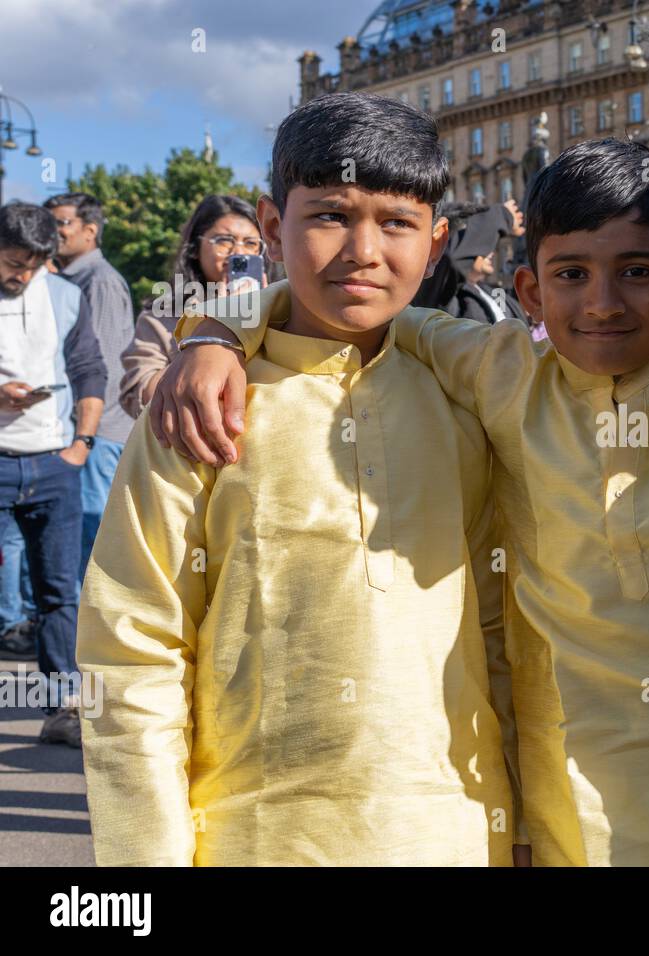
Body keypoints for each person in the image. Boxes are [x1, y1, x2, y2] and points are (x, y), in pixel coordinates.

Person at [154, 134, 649, 866]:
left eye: (638, 273)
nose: (604, 302)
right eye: (571, 275)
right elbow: (382, 318)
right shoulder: (500, 374)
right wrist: (215, 332)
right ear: (530, 292)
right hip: (561, 796)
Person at [76, 92, 519, 865]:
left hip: (450, 832)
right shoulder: (202, 408)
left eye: (397, 223)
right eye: (330, 216)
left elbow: (501, 632)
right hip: (255, 838)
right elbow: (134, 646)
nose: (363, 250)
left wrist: (520, 828)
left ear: (437, 240)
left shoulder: (466, 398)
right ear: (272, 227)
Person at [0, 203, 107, 747]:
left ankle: (63, 707)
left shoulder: (66, 295)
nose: (22, 275)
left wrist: (81, 445)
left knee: (60, 591)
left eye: (34, 264)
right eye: (13, 263)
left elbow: (89, 366)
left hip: (53, 462)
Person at [42, 193, 136, 575]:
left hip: (98, 434)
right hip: (76, 432)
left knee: (90, 538)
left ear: (91, 230)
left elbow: (103, 367)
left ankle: (88, 632)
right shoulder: (64, 280)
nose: (53, 232)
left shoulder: (100, 281)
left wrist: (85, 435)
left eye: (62, 223)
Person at [118, 195, 266, 420]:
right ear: (195, 249)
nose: (238, 252)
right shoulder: (163, 316)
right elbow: (140, 396)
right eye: (224, 241)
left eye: (250, 243)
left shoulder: (281, 308)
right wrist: (215, 323)